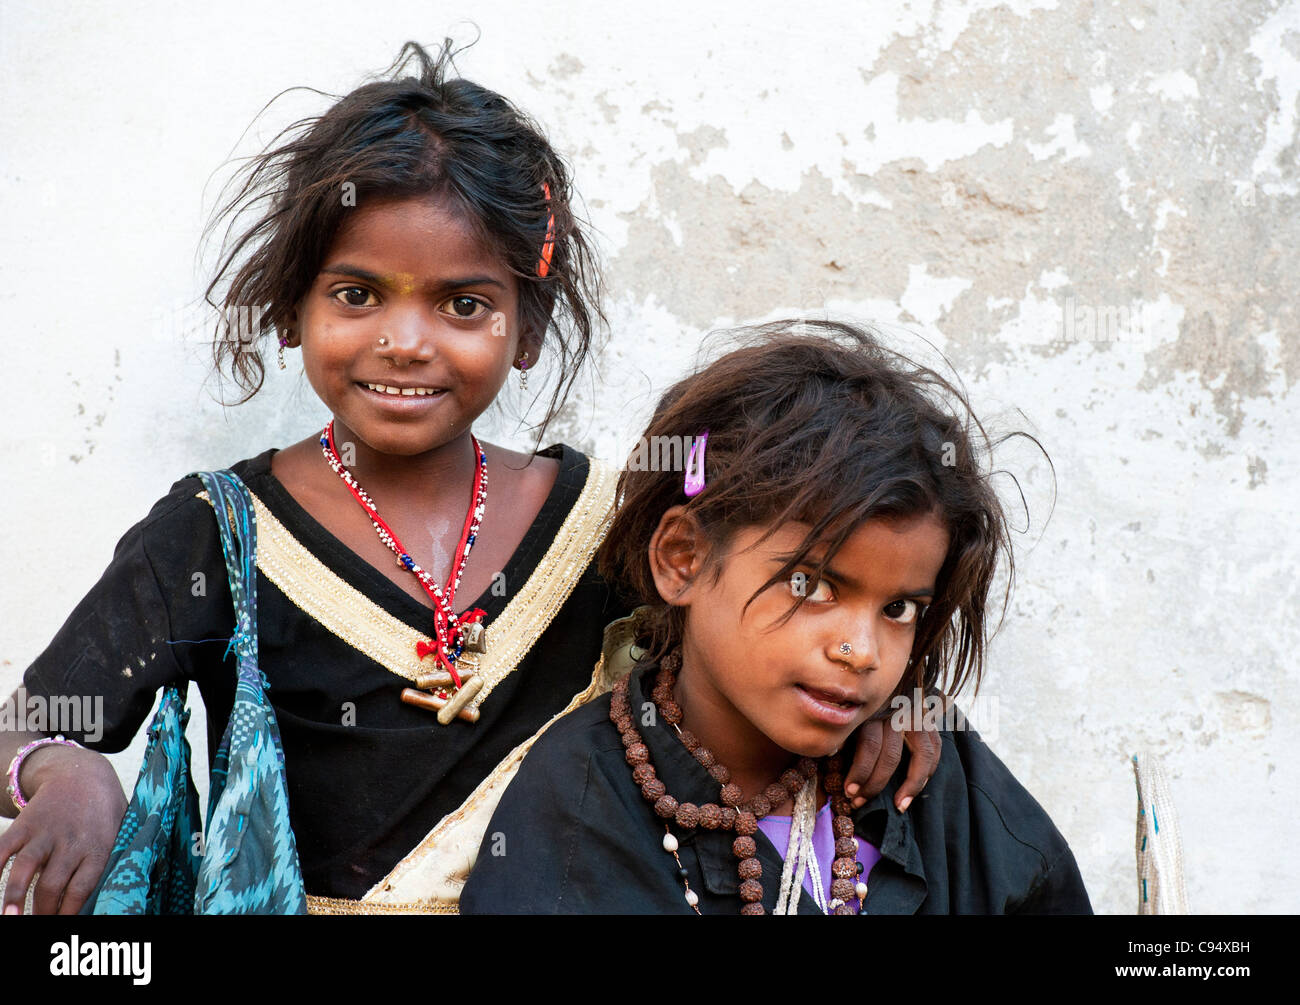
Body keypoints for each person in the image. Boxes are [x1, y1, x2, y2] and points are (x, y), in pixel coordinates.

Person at [0, 43, 937, 916]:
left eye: (464, 304)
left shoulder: (615, 526)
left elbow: (763, 647)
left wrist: (893, 707)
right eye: (356, 294)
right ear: (292, 309)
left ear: (526, 331)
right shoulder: (221, 535)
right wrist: (65, 769)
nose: (405, 342)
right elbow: (27, 727)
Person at [460, 321, 1093, 915]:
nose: (860, 651)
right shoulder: (580, 806)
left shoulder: (930, 771)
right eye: (811, 584)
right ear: (683, 559)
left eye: (898, 608)